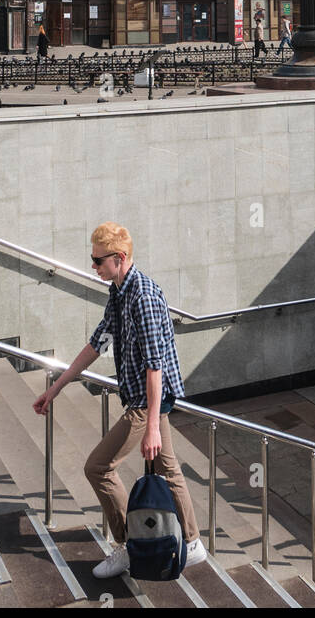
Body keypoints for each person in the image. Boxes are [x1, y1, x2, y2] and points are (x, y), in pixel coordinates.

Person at [32, 222, 206, 578]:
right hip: (144, 398)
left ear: (119, 258)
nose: (93, 266)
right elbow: (98, 343)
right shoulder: (119, 290)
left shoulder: (141, 296)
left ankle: (133, 544)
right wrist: (57, 387)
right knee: (167, 470)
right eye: (92, 260)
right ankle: (190, 543)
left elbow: (155, 367)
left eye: (98, 261)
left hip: (147, 401)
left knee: (98, 467)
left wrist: (153, 425)